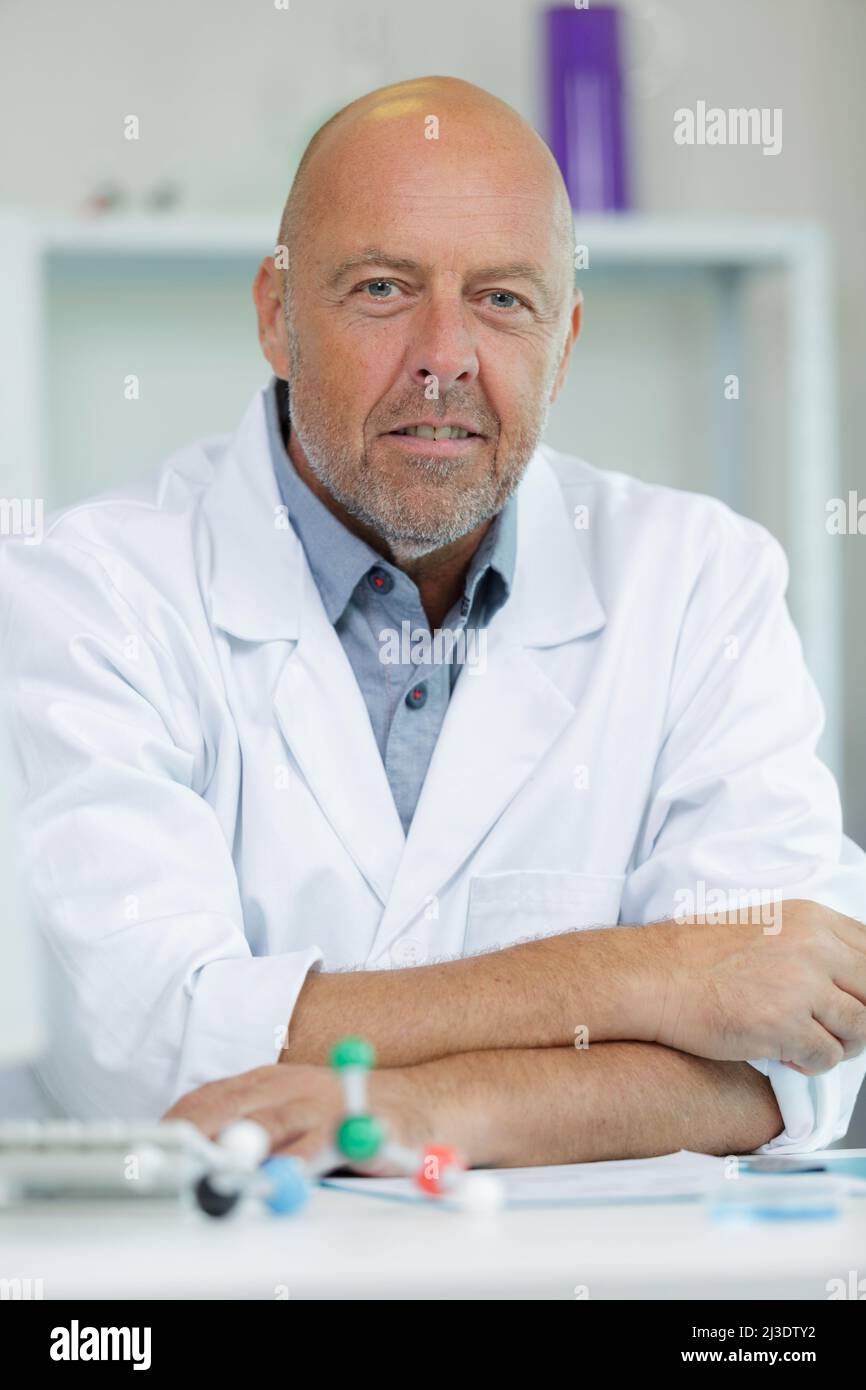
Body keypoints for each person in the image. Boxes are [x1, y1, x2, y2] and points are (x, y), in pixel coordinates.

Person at [2, 77, 865, 1169]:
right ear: (276, 315)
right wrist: (654, 977)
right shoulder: (89, 596)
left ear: (565, 341)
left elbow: (794, 1053)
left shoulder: (698, 582)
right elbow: (148, 1049)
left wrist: (428, 1112)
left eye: (502, 299)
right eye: (379, 287)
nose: (445, 353)